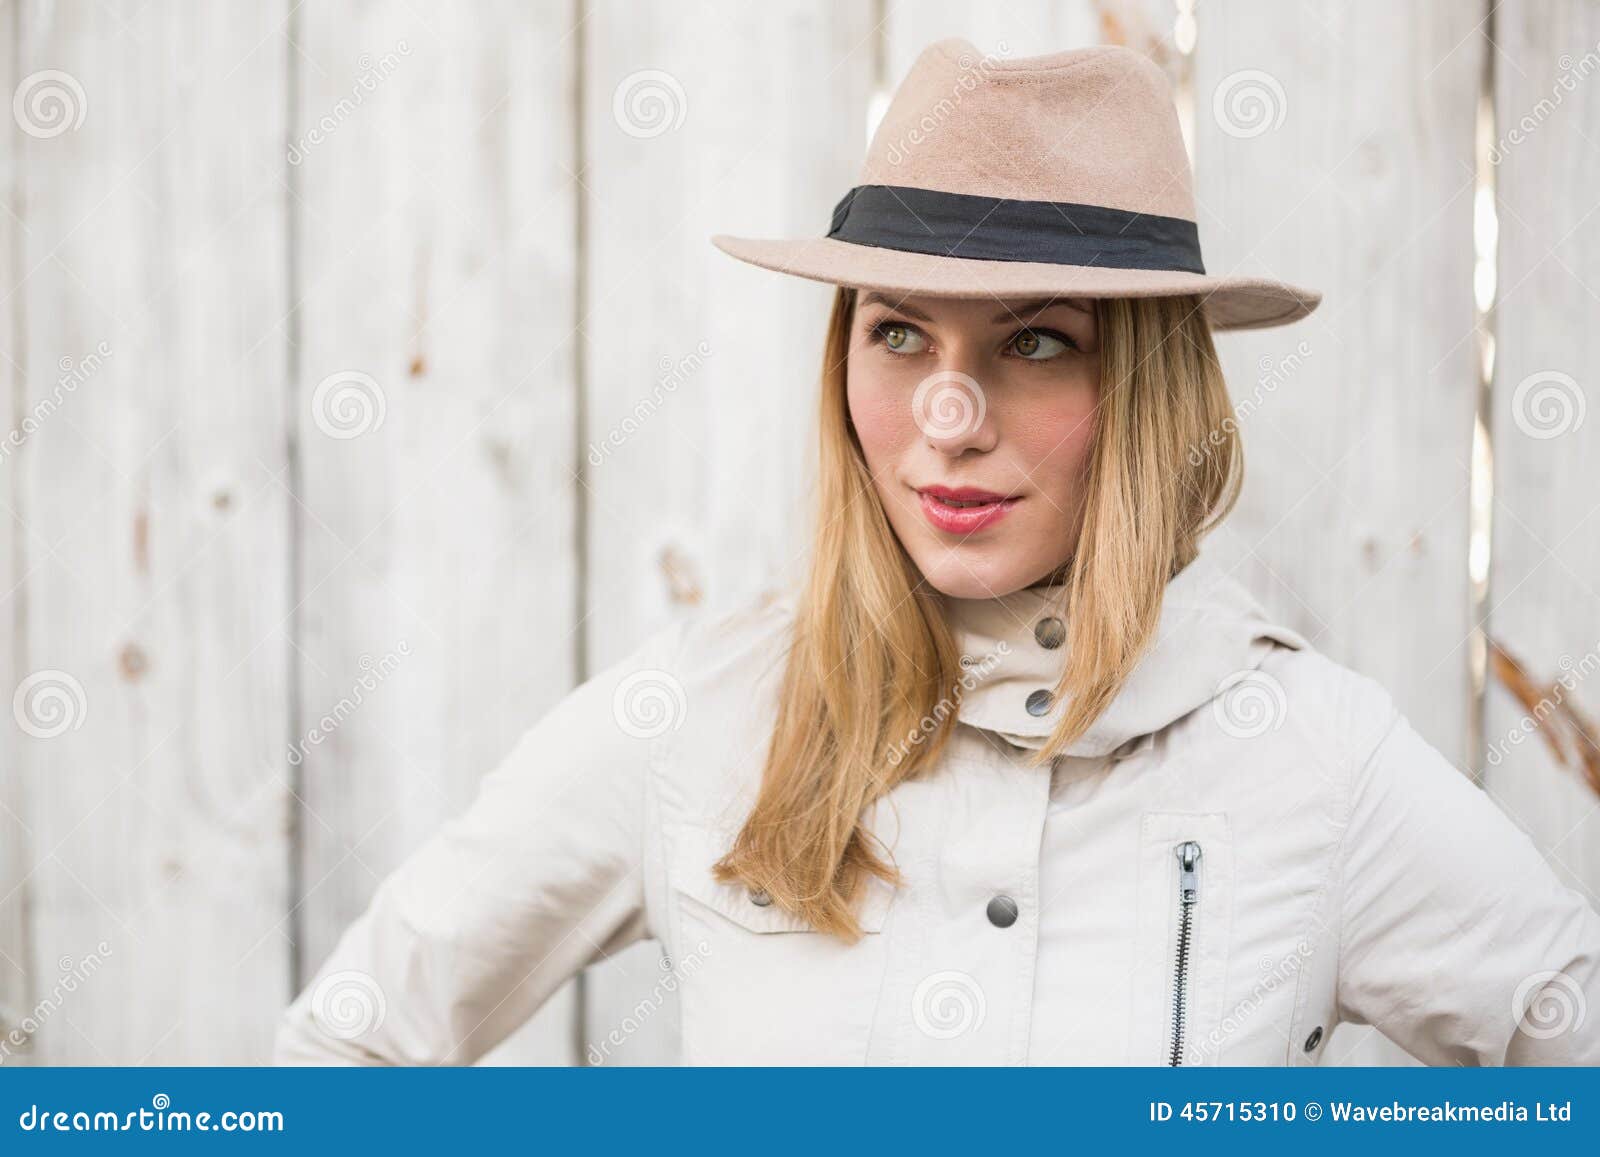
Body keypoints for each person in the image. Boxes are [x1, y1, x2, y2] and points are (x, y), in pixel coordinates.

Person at [274, 40, 1600, 1066]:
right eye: (900, 335)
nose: (946, 424)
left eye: (1035, 342)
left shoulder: (1311, 753)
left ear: (1145, 393)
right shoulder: (695, 716)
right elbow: (351, 1042)